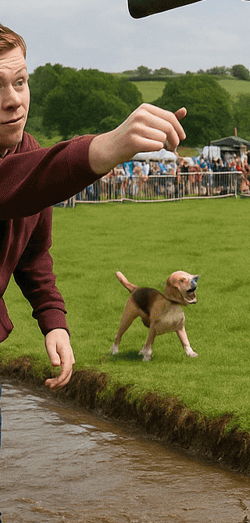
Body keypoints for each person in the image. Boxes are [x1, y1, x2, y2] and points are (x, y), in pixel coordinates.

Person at [0, 23, 187, 475]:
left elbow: (32, 252)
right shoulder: (26, 167)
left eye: (20, 82)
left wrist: (52, 319)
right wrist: (105, 148)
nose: (13, 99)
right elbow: (15, 185)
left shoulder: (25, 151)